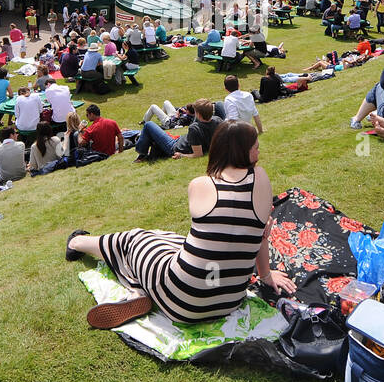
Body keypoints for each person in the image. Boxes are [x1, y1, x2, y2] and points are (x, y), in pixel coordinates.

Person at [67, 121, 296, 328]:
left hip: (182, 298)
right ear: (240, 151)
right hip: (230, 300)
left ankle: (77, 242)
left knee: (136, 239)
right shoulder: (261, 178)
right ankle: (139, 288)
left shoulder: (200, 184)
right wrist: (266, 276)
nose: (259, 151)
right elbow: (261, 234)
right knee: (170, 240)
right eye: (255, 147)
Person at [134, 98, 222, 161]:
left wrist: (181, 155)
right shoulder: (217, 120)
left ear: (198, 114)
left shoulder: (195, 128)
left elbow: (198, 154)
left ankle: (141, 152)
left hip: (174, 147)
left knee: (148, 125)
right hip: (180, 140)